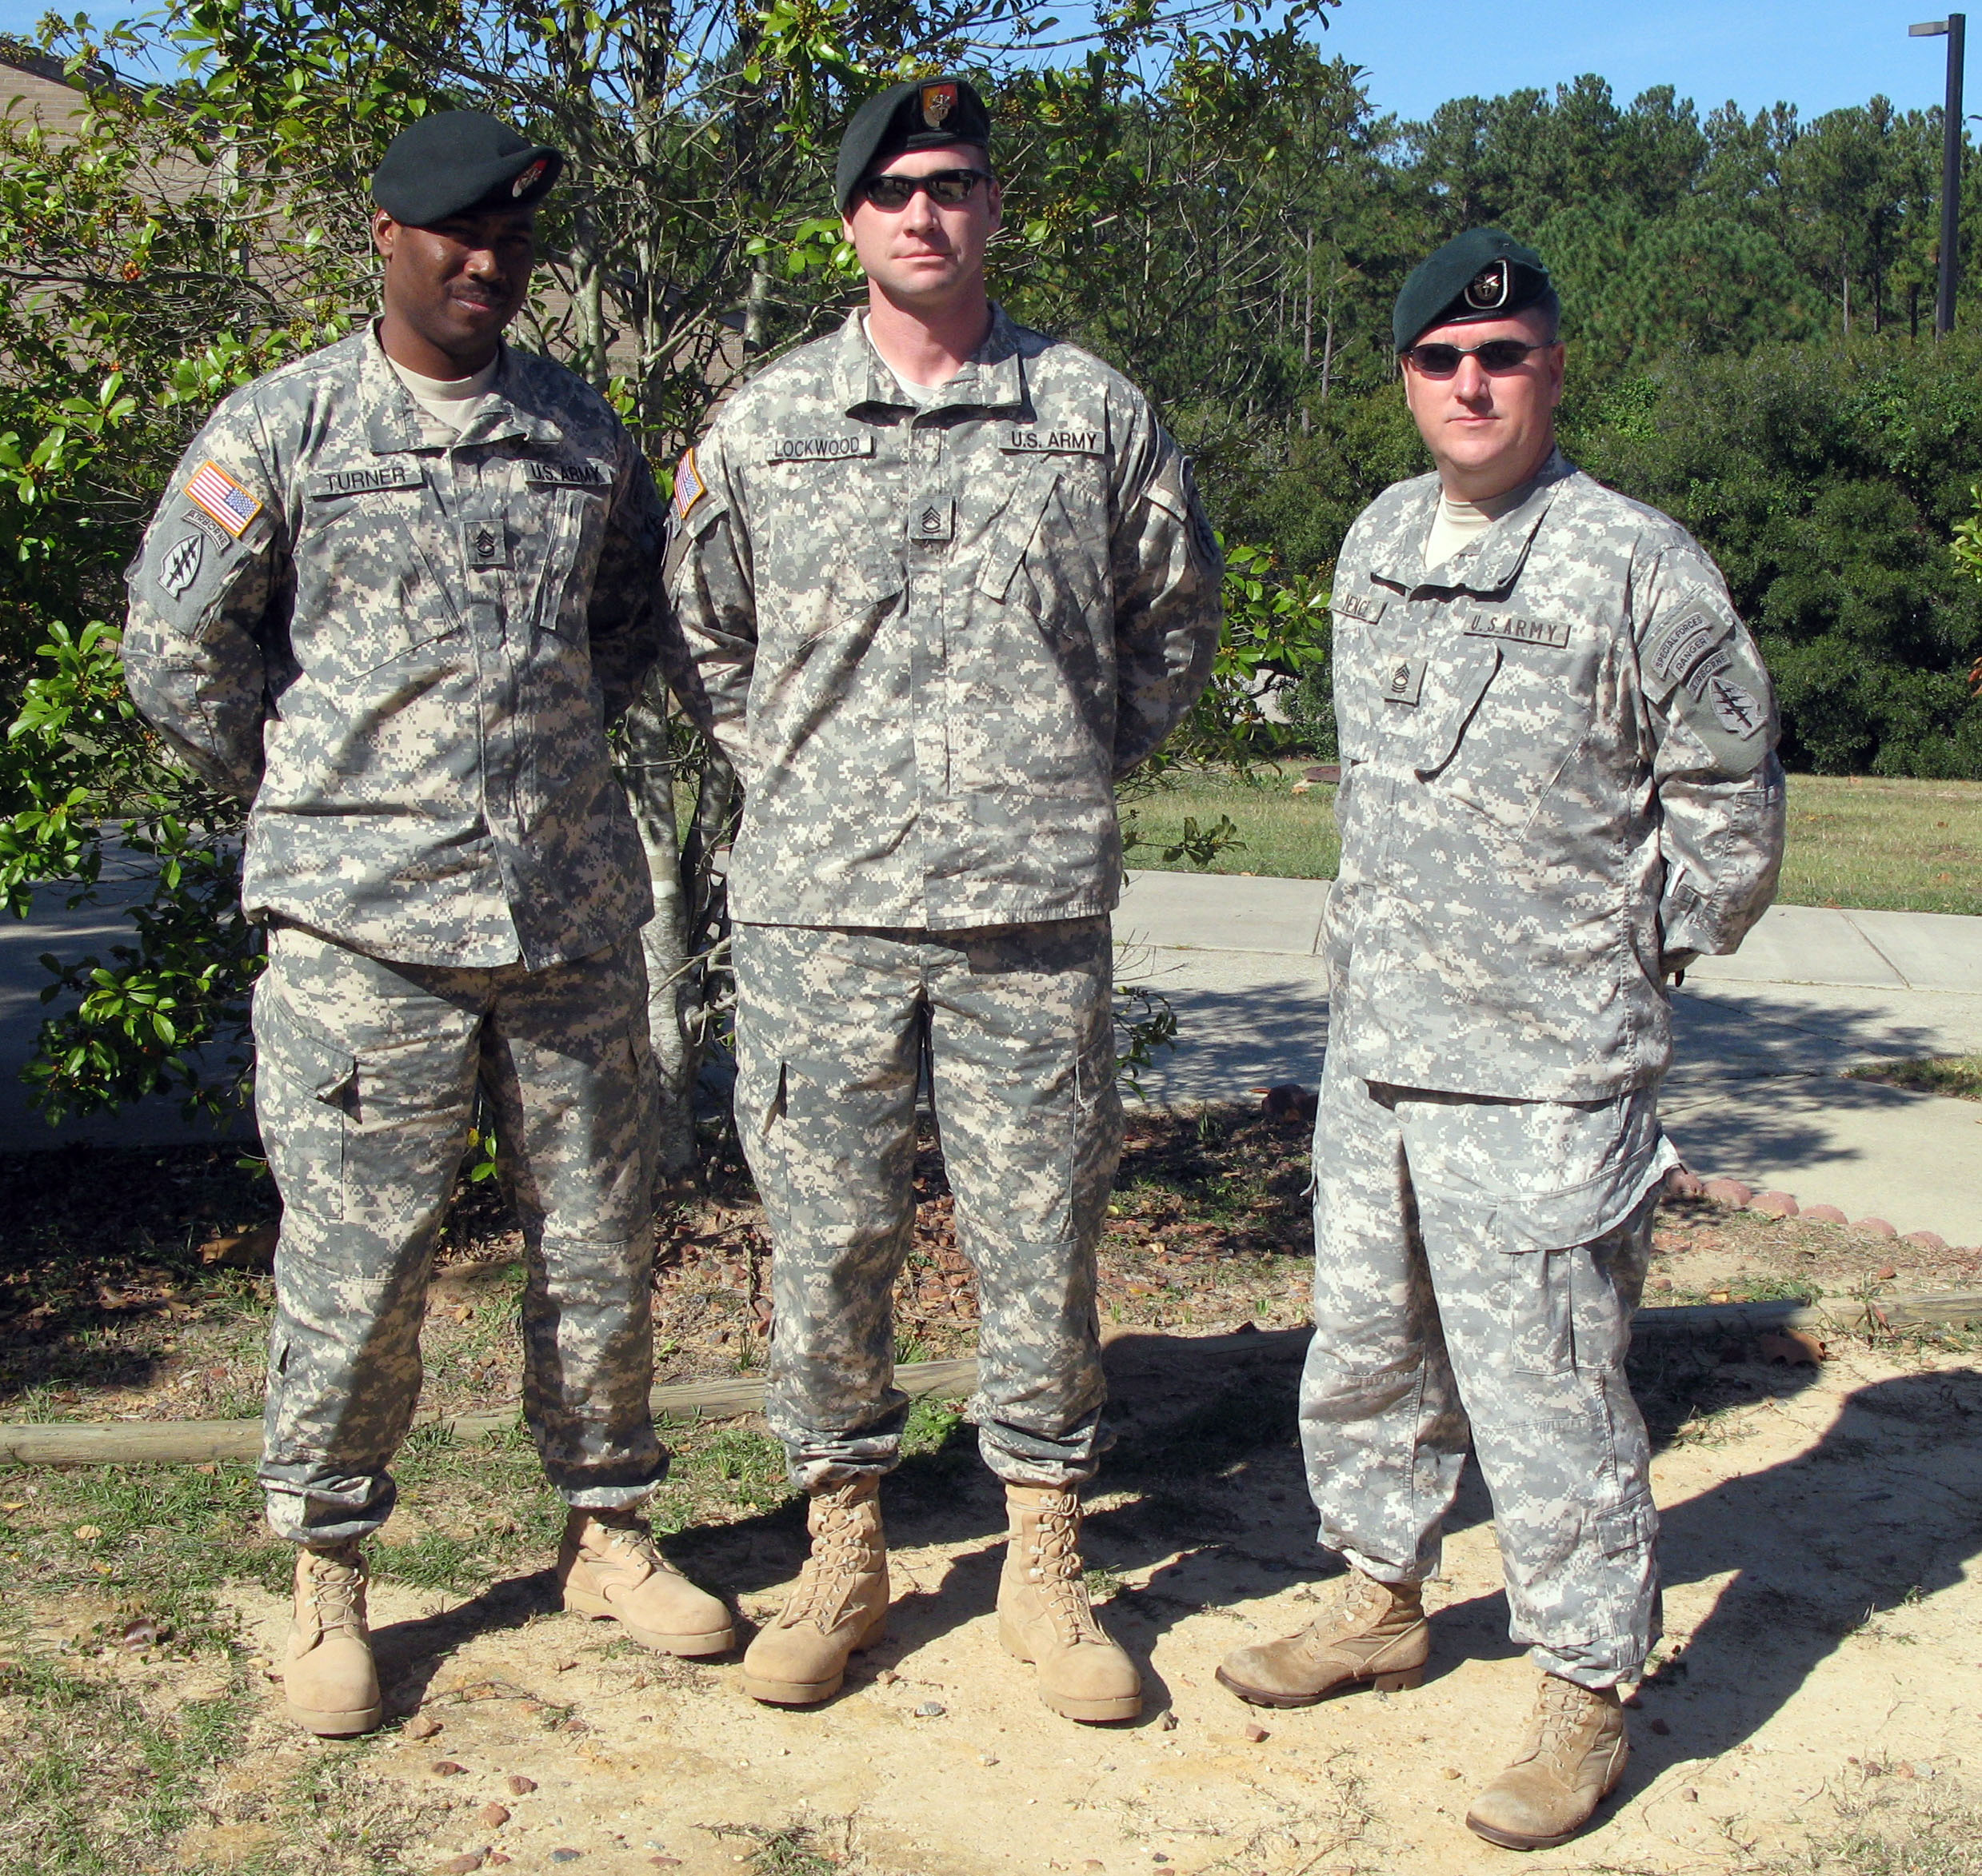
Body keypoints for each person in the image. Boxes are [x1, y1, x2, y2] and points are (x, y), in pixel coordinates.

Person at [122, 112, 731, 1740]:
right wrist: (321, 787)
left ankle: (608, 1531)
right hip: (361, 935)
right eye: (459, 236)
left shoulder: (577, 432)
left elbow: (620, 631)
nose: (487, 265)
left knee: (601, 1246)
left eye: (515, 243)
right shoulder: (288, 426)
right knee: (357, 1265)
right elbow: (176, 647)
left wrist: (529, 784)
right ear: (383, 235)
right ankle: (326, 1575)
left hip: (567, 921)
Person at [1216, 230, 1785, 1850]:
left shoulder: (1636, 566)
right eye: (1441, 361)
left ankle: (1584, 1688)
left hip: (1546, 1068)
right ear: (1407, 380)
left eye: (1504, 355)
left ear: (1552, 367)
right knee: (1365, 1353)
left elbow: (1732, 819)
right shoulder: (1377, 540)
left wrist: (1623, 969)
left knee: (1549, 1390)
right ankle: (1380, 1602)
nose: (1473, 384)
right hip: (1379, 1043)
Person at [667, 75, 1222, 1723]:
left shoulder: (1094, 417)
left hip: (1028, 918)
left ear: (993, 210)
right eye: (896, 185)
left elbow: (1170, 626)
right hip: (819, 917)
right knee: (829, 1242)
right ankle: (844, 1551)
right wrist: (811, 777)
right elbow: (706, 635)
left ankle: (1044, 1559)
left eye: (957, 182)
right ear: (851, 217)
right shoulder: (763, 425)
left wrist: (1056, 774)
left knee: (1041, 1239)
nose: (928, 210)